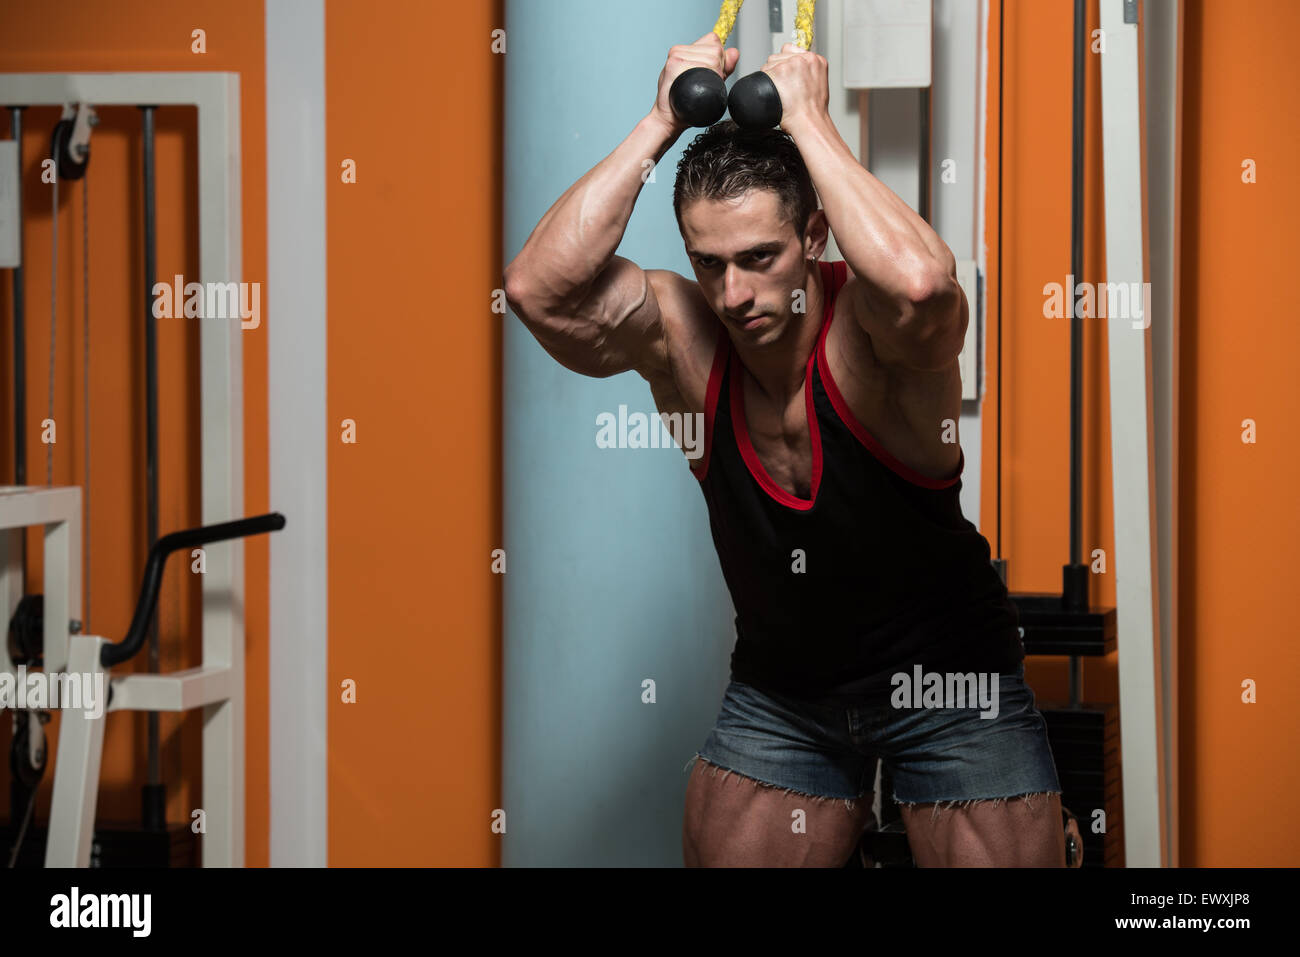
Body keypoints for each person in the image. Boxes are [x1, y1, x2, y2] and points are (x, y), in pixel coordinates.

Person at [504, 32, 1064, 867]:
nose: (734, 294)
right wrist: (661, 119)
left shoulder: (875, 335)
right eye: (710, 263)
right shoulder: (681, 336)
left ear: (814, 235)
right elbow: (536, 290)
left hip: (951, 683)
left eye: (760, 258)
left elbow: (921, 283)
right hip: (786, 690)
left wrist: (808, 120)